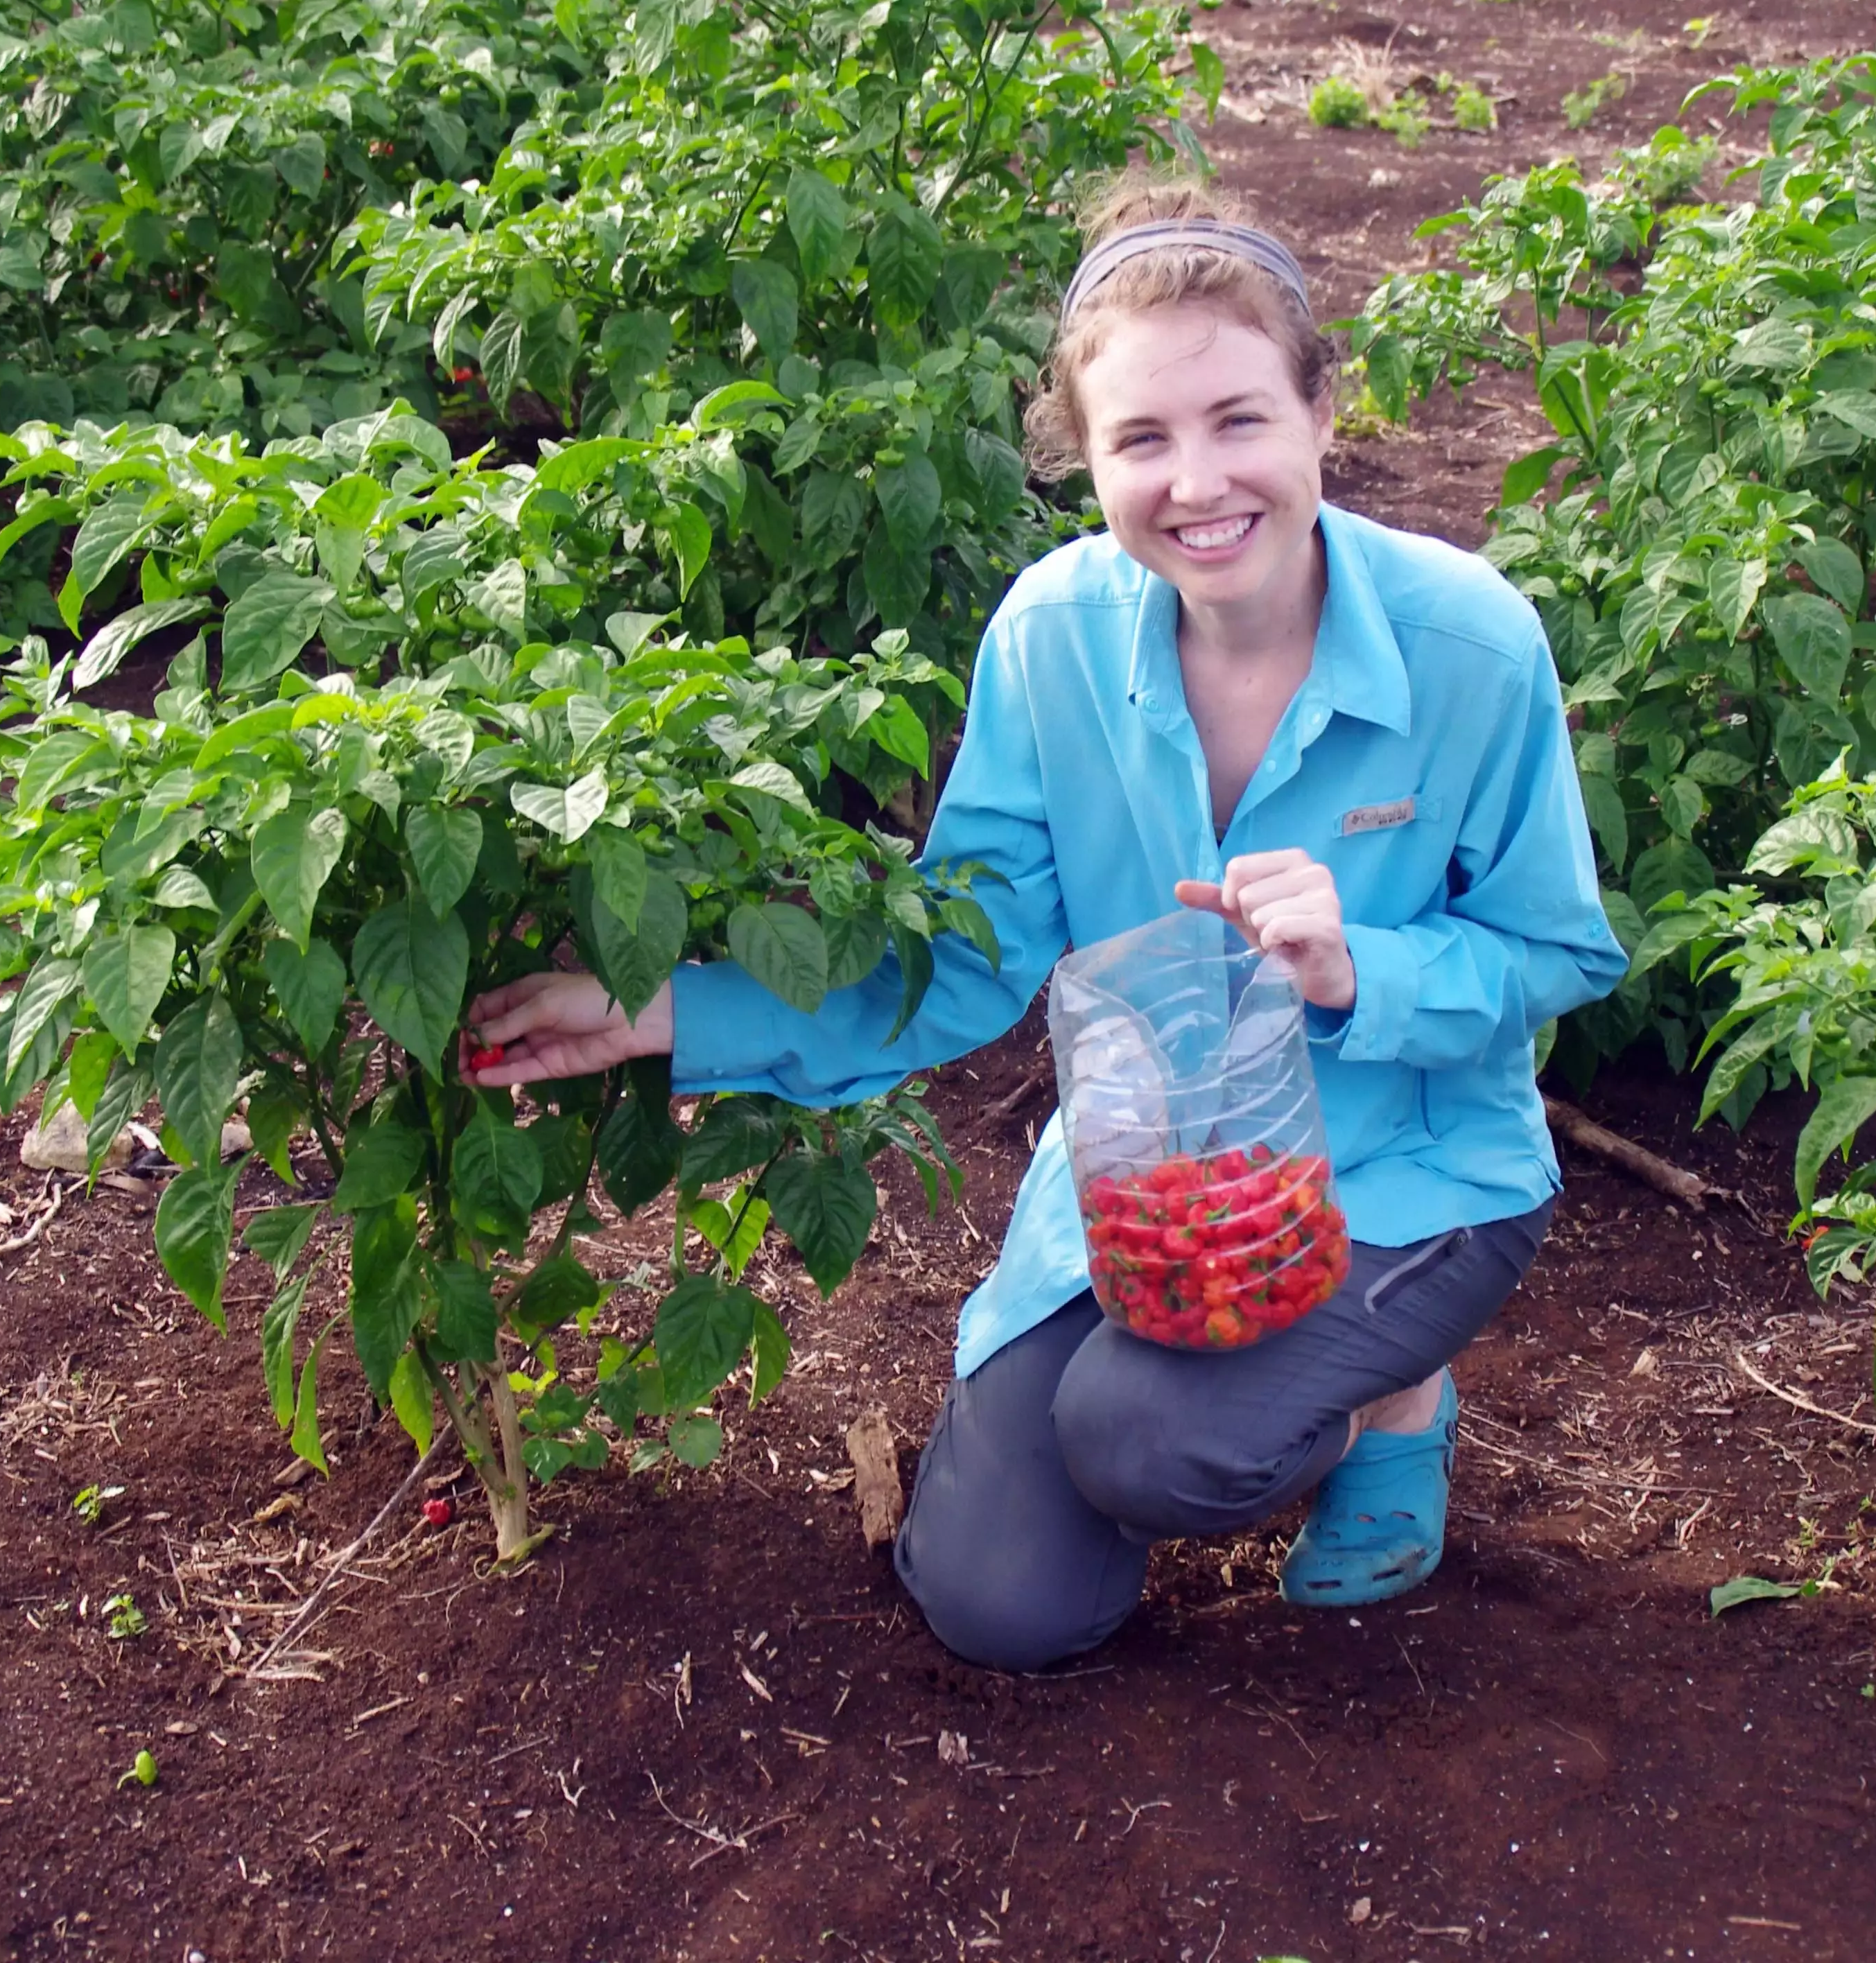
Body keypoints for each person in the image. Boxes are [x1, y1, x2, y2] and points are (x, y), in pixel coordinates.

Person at [467, 178, 1628, 1672]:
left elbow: (1556, 952)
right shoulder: (1052, 634)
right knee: (1001, 1604)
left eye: (1236, 420)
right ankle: (1184, 1415)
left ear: (1320, 413)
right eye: (1139, 438)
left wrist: (1364, 967)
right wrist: (665, 1010)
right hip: (1143, 1198)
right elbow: (963, 957)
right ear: (1081, 456)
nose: (1195, 481)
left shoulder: (1467, 644)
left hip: (1403, 1177)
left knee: (1146, 1438)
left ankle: (1389, 1403)